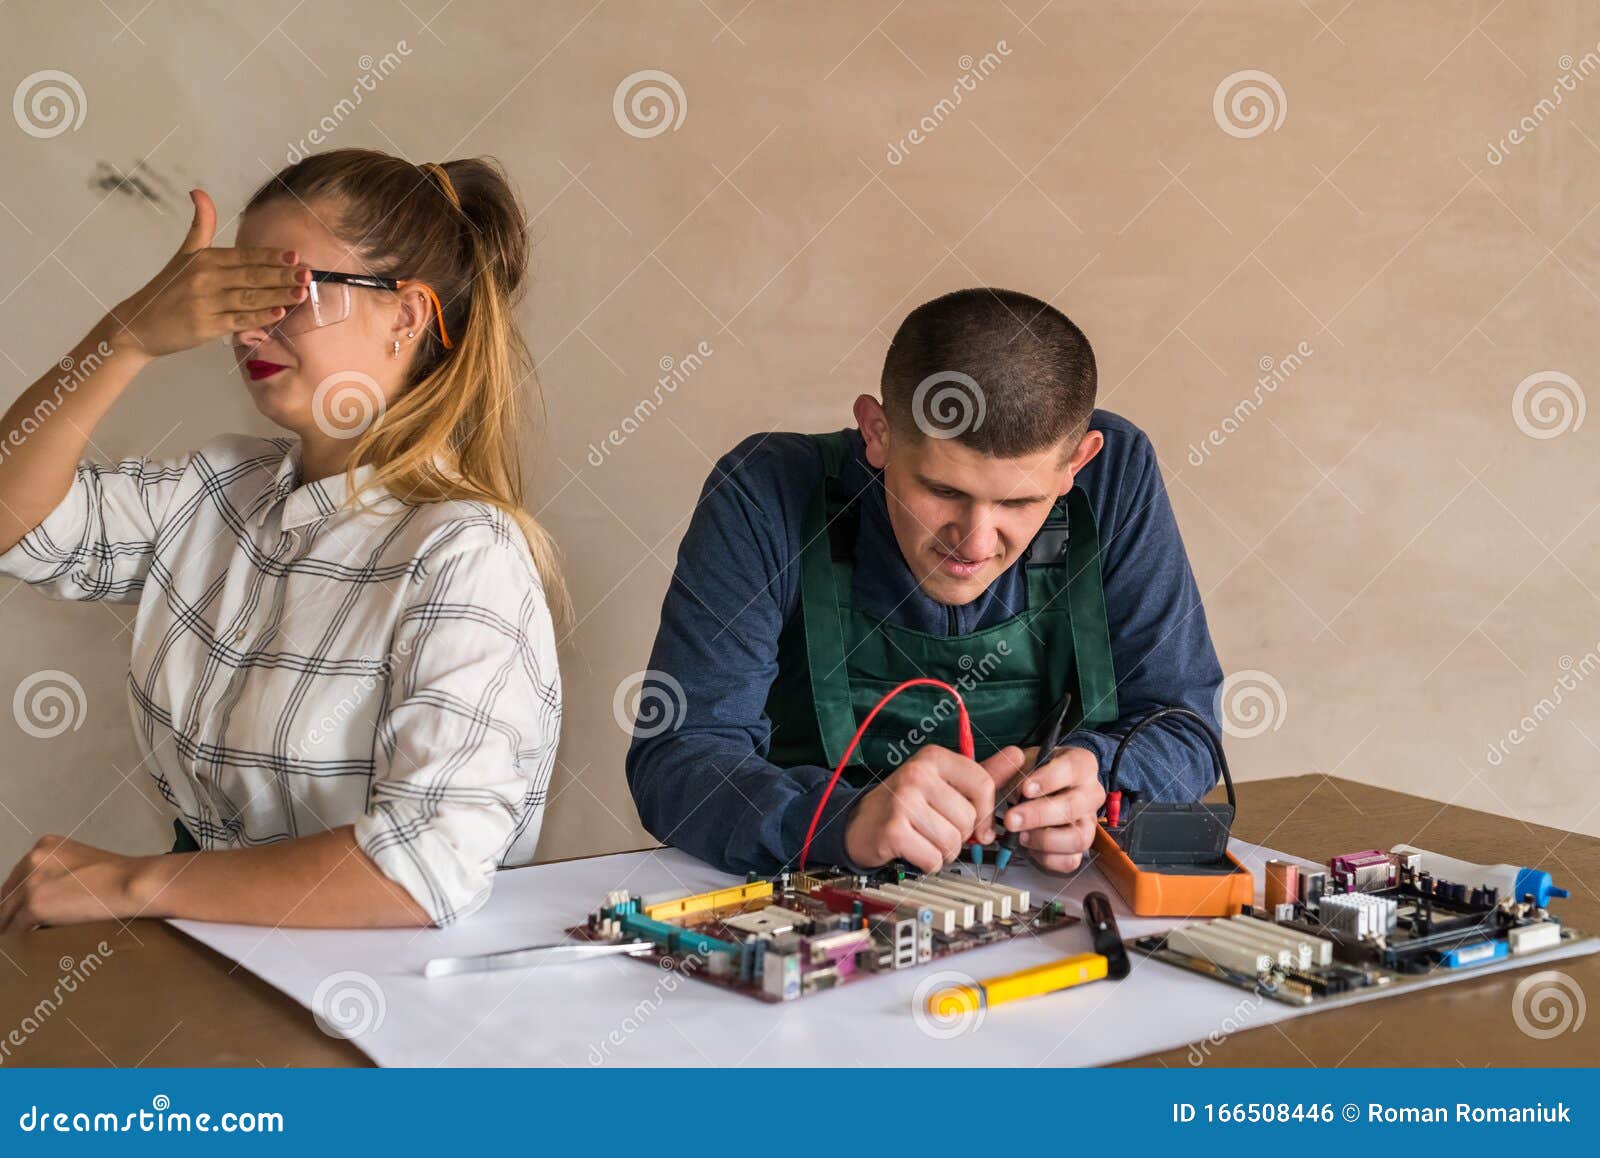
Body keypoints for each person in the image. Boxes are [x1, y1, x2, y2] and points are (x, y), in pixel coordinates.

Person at [0, 149, 562, 930]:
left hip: (380, 1006)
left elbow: (423, 870)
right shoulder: (217, 490)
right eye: (240, 293)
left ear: (405, 316)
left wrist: (134, 885)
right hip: (209, 958)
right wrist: (125, 336)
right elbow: (12, 521)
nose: (249, 325)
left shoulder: (465, 554)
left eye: (287, 290)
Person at [627, 288, 1223, 877]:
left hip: (1048, 908)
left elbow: (1187, 723)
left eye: (1019, 502)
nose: (975, 544)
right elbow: (678, 755)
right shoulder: (766, 493)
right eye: (943, 492)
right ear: (876, 431)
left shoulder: (1116, 476)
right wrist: (839, 821)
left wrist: (1098, 773)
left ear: (1078, 463)